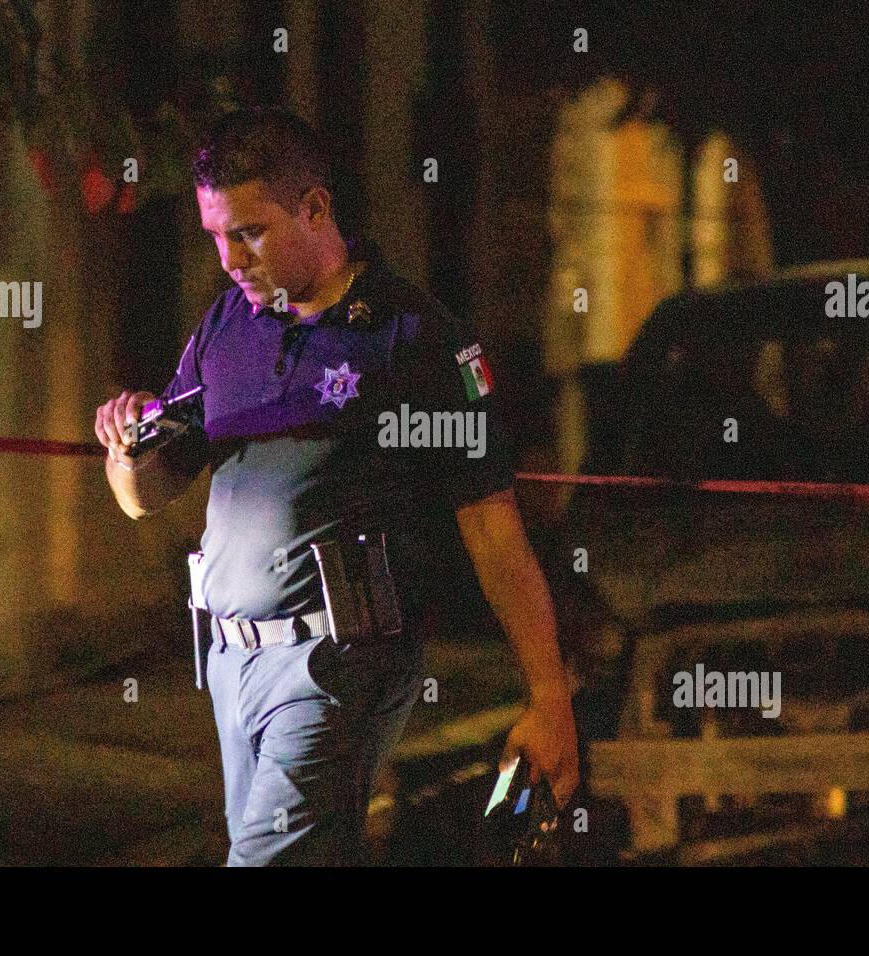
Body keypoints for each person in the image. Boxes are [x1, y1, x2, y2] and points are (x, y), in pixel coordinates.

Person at [93, 107, 578, 865]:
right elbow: (144, 496)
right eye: (216, 236)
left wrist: (549, 698)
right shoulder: (226, 327)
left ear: (315, 208)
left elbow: (493, 531)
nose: (229, 260)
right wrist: (123, 447)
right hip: (228, 662)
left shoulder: (414, 340)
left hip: (338, 665)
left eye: (248, 233)